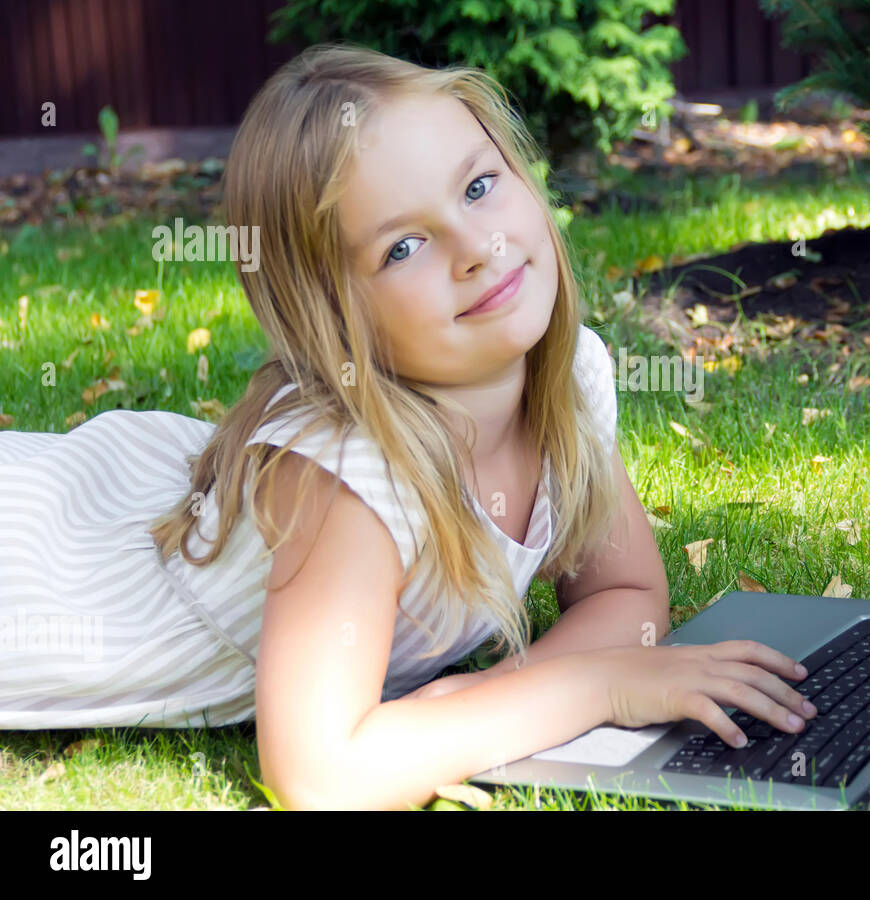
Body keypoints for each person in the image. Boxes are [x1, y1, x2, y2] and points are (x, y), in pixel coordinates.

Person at [0, 43, 816, 809]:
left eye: (477, 187)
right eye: (403, 247)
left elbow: (629, 597)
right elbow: (317, 774)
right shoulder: (350, 478)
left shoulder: (562, 381)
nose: (476, 246)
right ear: (332, 318)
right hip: (45, 562)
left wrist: (478, 699)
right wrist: (595, 687)